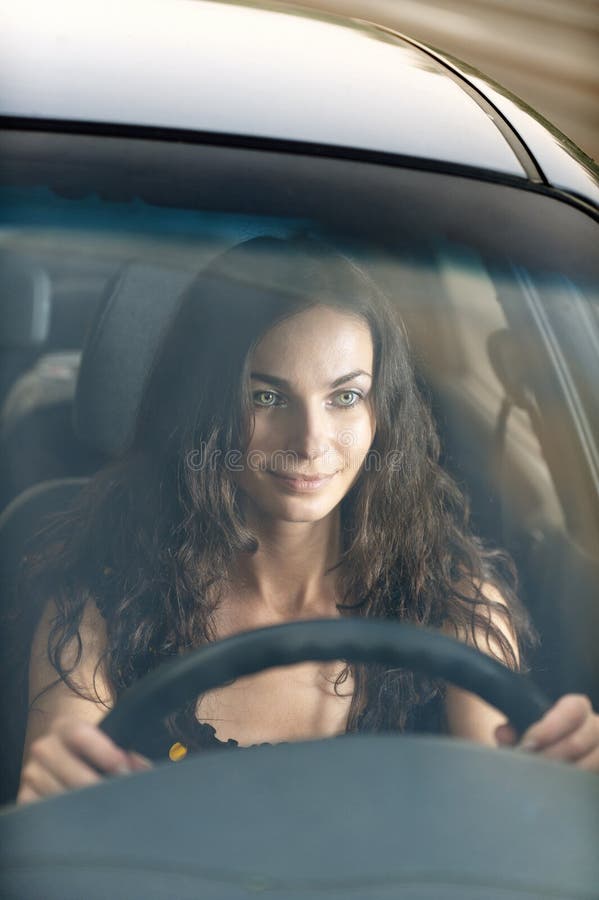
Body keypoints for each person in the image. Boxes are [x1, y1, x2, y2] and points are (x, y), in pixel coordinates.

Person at [17, 236, 599, 803]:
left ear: (381, 415)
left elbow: (498, 831)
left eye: (344, 398)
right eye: (267, 397)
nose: (310, 442)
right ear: (205, 407)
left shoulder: (450, 606)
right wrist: (55, 795)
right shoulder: (102, 606)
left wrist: (549, 792)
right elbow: (63, 822)